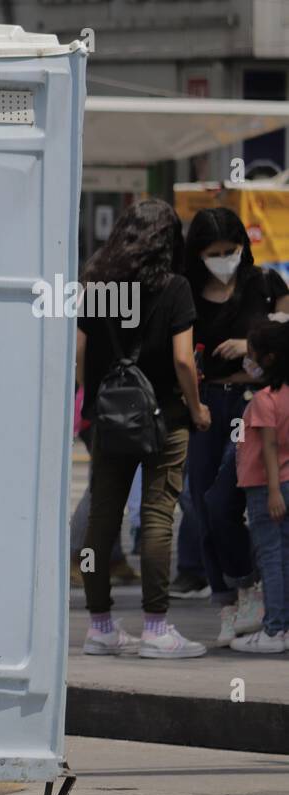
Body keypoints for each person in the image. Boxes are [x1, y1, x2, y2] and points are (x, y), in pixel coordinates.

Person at [76, 199, 211, 659]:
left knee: (102, 518)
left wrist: (94, 400)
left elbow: (79, 352)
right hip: (165, 418)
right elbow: (182, 360)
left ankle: (100, 628)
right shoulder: (175, 288)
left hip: (108, 419)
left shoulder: (98, 283)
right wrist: (197, 409)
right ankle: (155, 629)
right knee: (156, 516)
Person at [182, 207, 289, 645]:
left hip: (255, 403)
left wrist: (252, 343)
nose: (224, 259)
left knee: (227, 497)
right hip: (207, 404)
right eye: (214, 253)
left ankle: (252, 586)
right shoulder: (186, 290)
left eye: (231, 250)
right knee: (202, 504)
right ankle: (229, 599)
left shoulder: (264, 285)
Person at [232, 321, 289, 653]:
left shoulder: (265, 400)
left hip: (266, 488)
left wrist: (271, 491)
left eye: (251, 354)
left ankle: (274, 630)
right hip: (284, 484)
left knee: (270, 558)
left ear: (267, 359)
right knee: (283, 556)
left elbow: (268, 447)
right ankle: (282, 626)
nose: (247, 359)